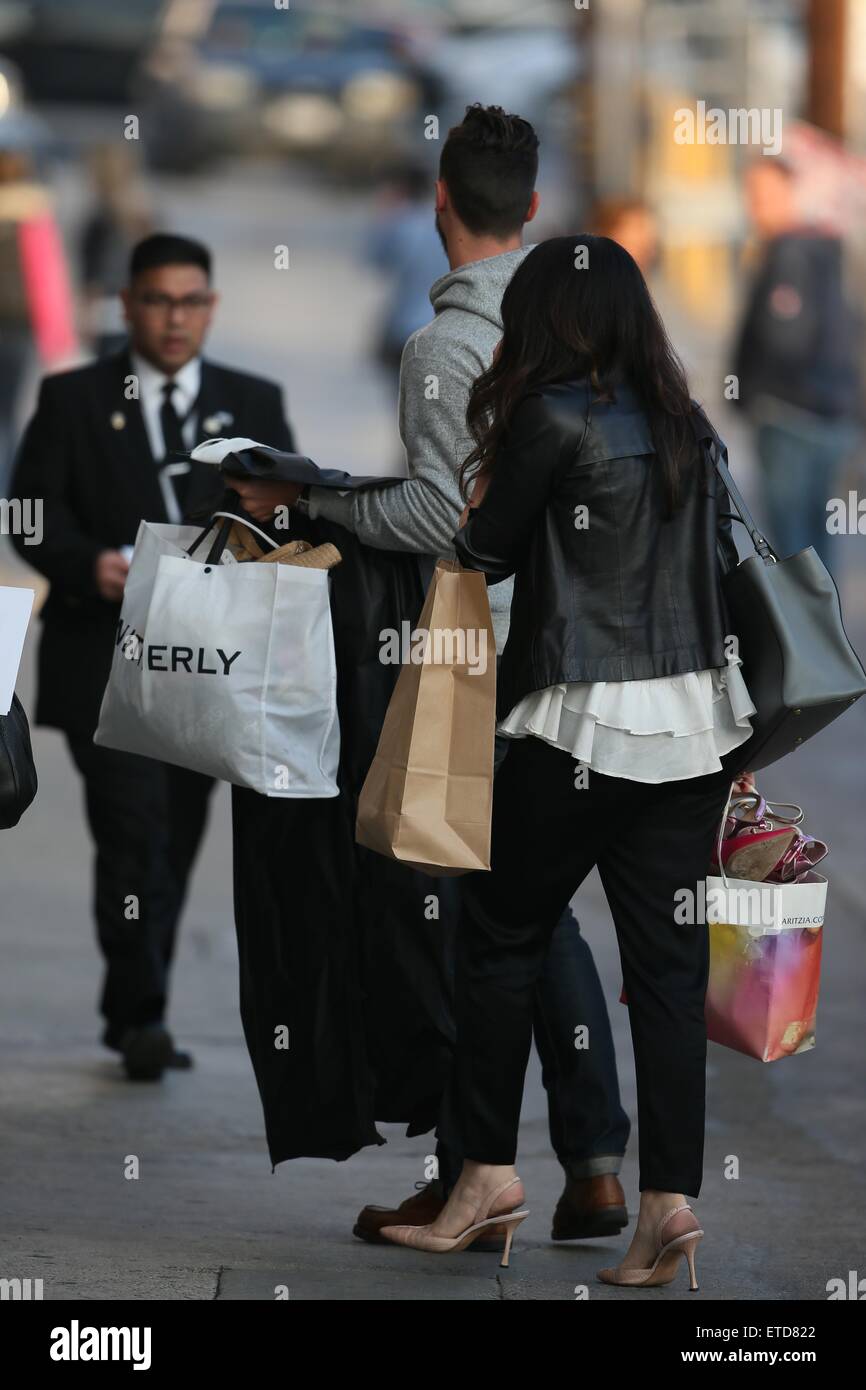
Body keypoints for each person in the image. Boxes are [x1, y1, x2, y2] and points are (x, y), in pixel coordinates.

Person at [233, 107, 633, 1245]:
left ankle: (483, 1175)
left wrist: (309, 500)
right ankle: (585, 1163)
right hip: (585, 647)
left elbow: (434, 515)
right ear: (534, 214)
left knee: (467, 916)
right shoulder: (584, 328)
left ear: (441, 204)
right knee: (528, 911)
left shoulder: (443, 346)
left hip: (478, 660)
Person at [378, 234, 757, 1288]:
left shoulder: (545, 418)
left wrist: (482, 485)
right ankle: (666, 1207)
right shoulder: (687, 426)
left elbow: (477, 553)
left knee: (498, 942)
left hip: (576, 727)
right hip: (690, 730)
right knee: (668, 977)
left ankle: (485, 1179)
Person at [9, 232, 296, 1081]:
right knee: (133, 831)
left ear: (210, 307)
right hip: (105, 662)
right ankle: (141, 1015)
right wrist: (83, 561)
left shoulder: (253, 402)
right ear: (129, 305)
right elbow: (27, 514)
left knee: (176, 837)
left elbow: (288, 517)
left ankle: (140, 996)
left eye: (192, 301)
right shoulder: (73, 399)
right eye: (159, 301)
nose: (176, 319)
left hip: (209, 669)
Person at [732, 157, 862, 572]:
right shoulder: (825, 249)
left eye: (763, 195)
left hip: (791, 416)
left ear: (789, 194)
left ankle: (803, 635)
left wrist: (752, 393)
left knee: (791, 553)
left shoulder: (790, 252)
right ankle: (825, 632)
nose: (755, 206)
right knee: (817, 553)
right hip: (830, 414)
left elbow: (784, 339)